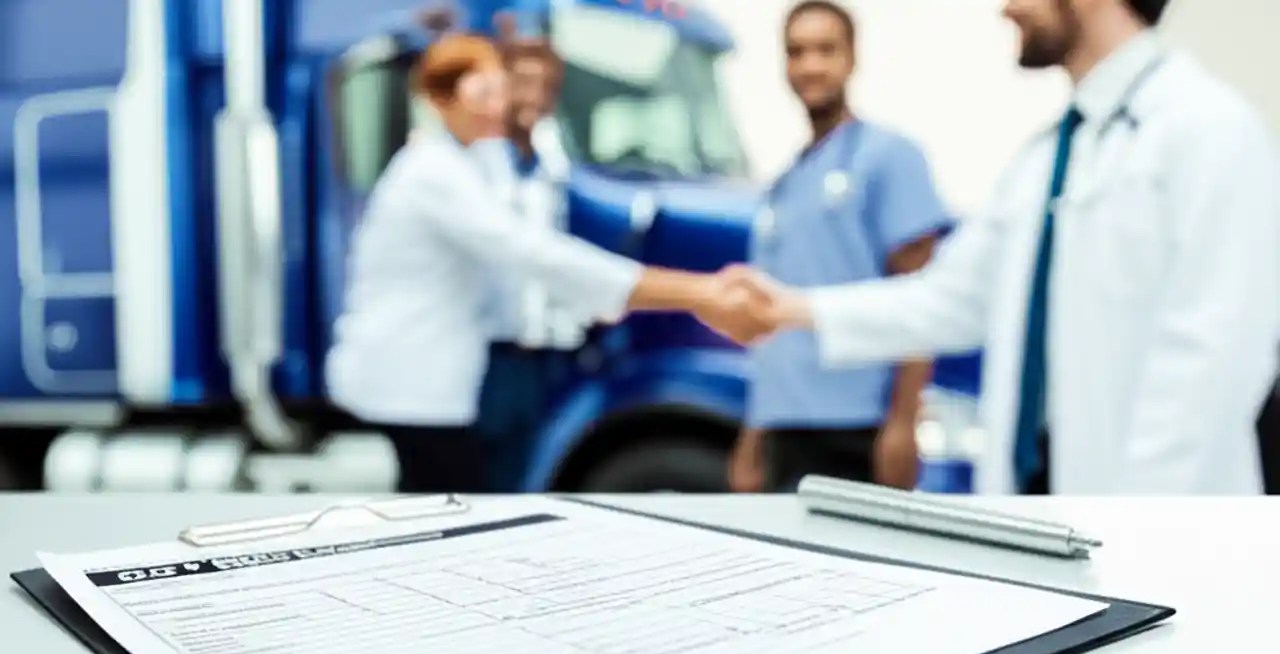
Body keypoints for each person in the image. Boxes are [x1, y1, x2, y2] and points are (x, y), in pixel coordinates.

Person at [741, 0, 1280, 495]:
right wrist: (790, 310)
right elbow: (947, 300)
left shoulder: (1208, 131)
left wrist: (1136, 534)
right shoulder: (1042, 162)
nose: (1007, 9)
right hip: (1053, 516)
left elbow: (1213, 365)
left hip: (1160, 534)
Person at [326, 35, 767, 494]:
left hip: (452, 375)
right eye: (485, 94)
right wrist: (694, 291)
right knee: (451, 502)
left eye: (500, 91)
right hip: (416, 376)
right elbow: (533, 252)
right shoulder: (434, 174)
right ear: (441, 99)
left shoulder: (482, 161)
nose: (500, 106)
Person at [729, 0, 952, 494]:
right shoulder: (782, 187)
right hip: (786, 429)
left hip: (857, 427)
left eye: (826, 50)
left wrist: (902, 423)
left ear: (853, 58)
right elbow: (769, 330)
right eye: (797, 52)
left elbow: (920, 298)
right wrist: (754, 432)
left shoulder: (888, 157)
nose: (811, 65)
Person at [473, 40, 583, 492]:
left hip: (535, 356)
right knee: (475, 482)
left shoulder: (549, 170)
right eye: (523, 84)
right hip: (484, 356)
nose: (534, 98)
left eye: (546, 87)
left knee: (522, 480)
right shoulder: (473, 165)